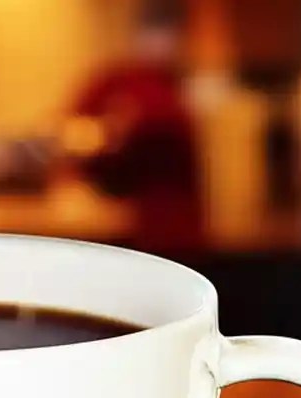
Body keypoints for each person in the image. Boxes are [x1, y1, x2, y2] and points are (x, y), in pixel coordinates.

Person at [64, 5, 204, 251]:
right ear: (138, 36)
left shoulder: (186, 90)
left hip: (178, 225)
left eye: (171, 37)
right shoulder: (114, 82)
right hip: (119, 224)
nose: (163, 45)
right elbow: (71, 135)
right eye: (155, 34)